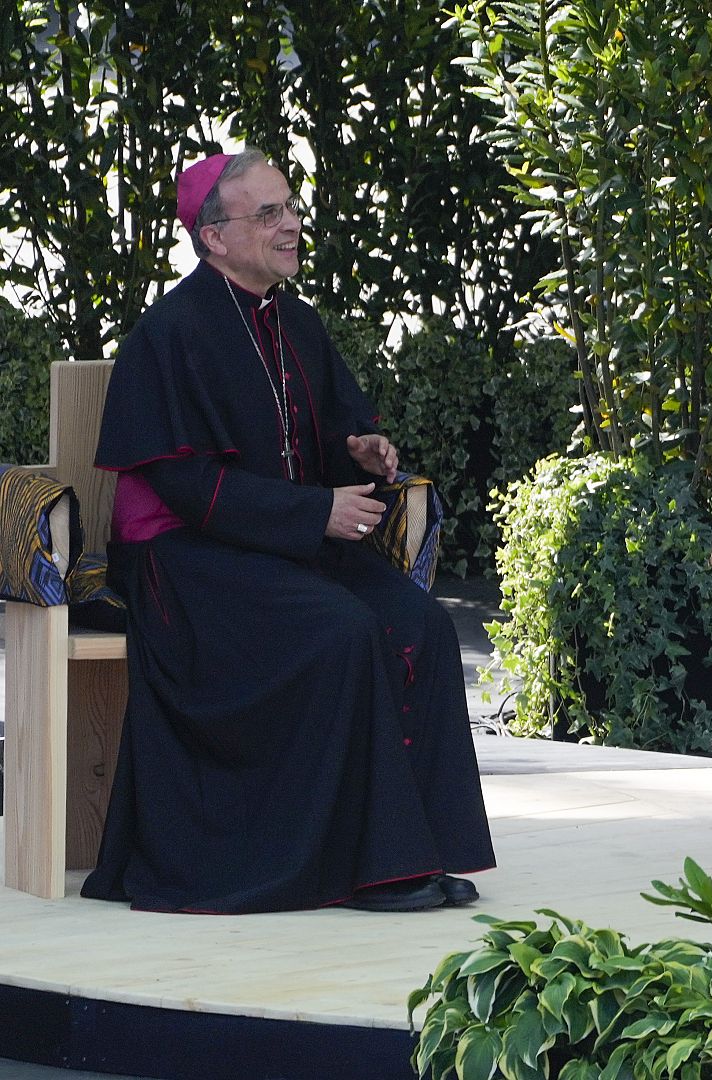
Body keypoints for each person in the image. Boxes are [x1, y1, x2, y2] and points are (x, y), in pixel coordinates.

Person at [80, 149, 496, 914]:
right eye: (267, 214)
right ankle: (367, 870)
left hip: (281, 545)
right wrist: (314, 514)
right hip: (184, 558)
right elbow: (182, 482)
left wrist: (361, 448)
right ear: (215, 238)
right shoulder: (168, 334)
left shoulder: (293, 321)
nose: (292, 224)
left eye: (290, 208)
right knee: (339, 631)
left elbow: (330, 425)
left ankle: (419, 852)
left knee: (422, 627)